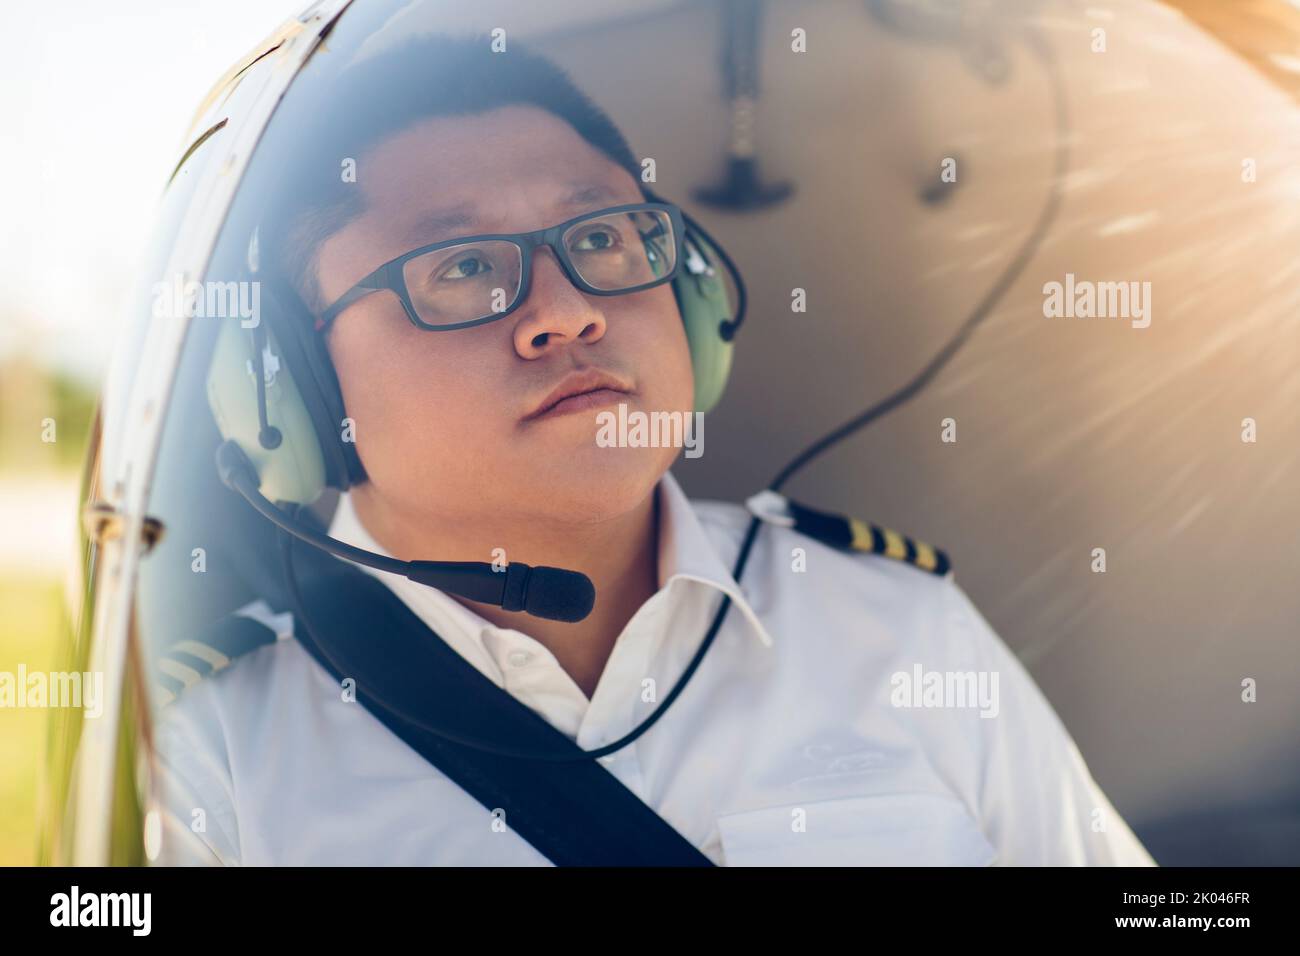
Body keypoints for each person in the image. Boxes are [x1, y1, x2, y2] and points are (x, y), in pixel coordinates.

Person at [153, 33, 1155, 866]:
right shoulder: (211, 755)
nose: (567, 311)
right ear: (289, 383)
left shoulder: (898, 629)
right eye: (460, 265)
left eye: (599, 237)